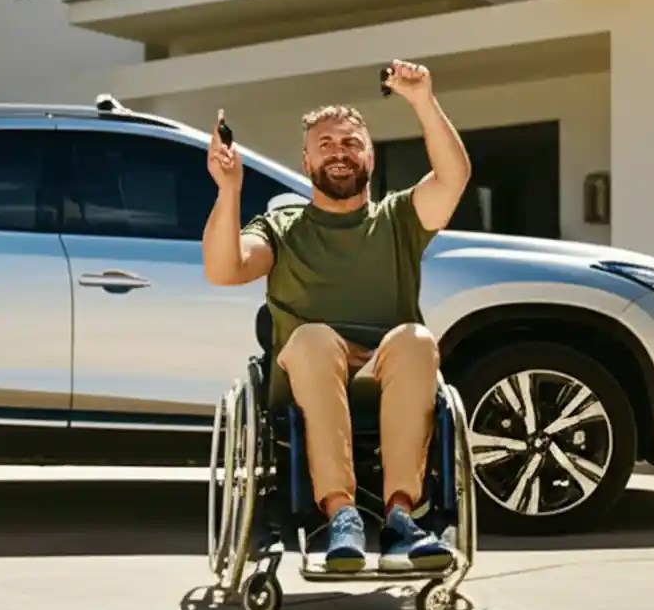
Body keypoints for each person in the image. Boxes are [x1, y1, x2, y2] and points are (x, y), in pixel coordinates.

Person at [201, 59, 472, 572]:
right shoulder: (282, 226)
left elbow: (453, 177)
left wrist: (422, 101)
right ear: (306, 162)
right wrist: (229, 189)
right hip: (307, 371)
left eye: (350, 143)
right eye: (325, 144)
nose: (339, 152)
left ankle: (400, 518)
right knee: (313, 339)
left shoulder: (398, 218)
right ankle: (341, 514)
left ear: (370, 155)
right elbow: (224, 269)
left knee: (416, 339)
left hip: (385, 372)